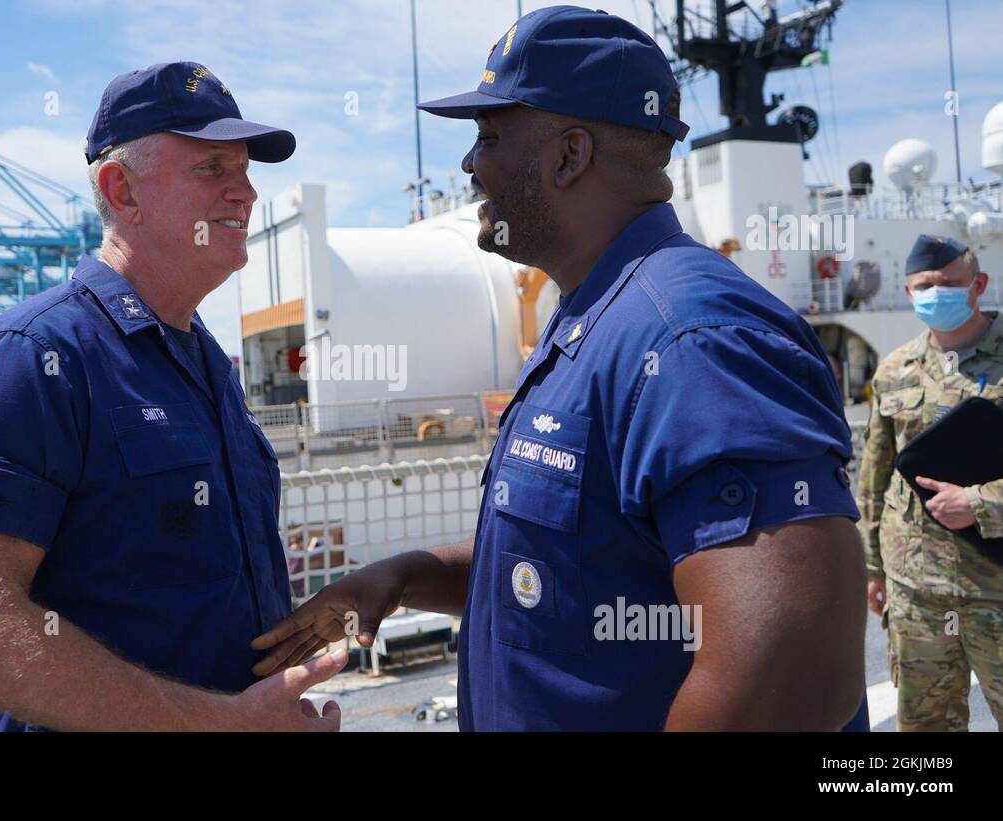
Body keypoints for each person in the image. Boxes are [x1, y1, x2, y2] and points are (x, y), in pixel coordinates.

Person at [252, 5, 869, 730]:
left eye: (488, 137)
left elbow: (787, 671)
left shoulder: (694, 339)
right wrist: (405, 575)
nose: (468, 165)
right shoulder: (597, 315)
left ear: (569, 156)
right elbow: (573, 558)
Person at [0, 61, 344, 731]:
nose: (247, 194)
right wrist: (219, 722)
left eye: (246, 170)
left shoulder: (205, 363)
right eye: (213, 170)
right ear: (122, 189)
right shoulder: (31, 359)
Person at [859, 233, 1003, 731]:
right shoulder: (895, 369)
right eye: (924, 285)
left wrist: (981, 502)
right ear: (907, 291)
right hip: (916, 588)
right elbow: (876, 473)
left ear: (978, 284)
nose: (934, 293)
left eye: (947, 283)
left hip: (996, 586)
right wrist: (872, 566)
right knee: (927, 728)